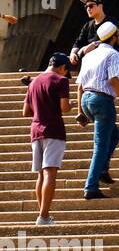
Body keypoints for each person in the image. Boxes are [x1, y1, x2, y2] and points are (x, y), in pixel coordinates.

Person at [77, 21, 119, 200]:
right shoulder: (113, 54)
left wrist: (80, 110)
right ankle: (91, 186)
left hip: (87, 98)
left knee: (114, 135)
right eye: (118, 35)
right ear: (114, 37)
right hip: (102, 100)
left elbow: (79, 85)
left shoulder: (89, 55)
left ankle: (102, 169)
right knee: (100, 146)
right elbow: (113, 81)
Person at [22, 52, 73, 226]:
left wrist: (40, 110)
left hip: (36, 131)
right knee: (50, 172)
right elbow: (64, 108)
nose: (66, 75)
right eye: (66, 71)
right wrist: (72, 105)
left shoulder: (34, 82)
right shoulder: (61, 81)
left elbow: (26, 112)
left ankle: (43, 214)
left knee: (40, 175)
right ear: (62, 67)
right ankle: (43, 217)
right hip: (54, 130)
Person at [68, 0, 117, 67]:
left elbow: (114, 40)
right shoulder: (87, 25)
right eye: (86, 6)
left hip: (107, 62)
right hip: (90, 63)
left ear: (100, 6)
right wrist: (73, 53)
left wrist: (92, 46)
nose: (88, 9)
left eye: (91, 6)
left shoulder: (111, 22)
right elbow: (78, 42)